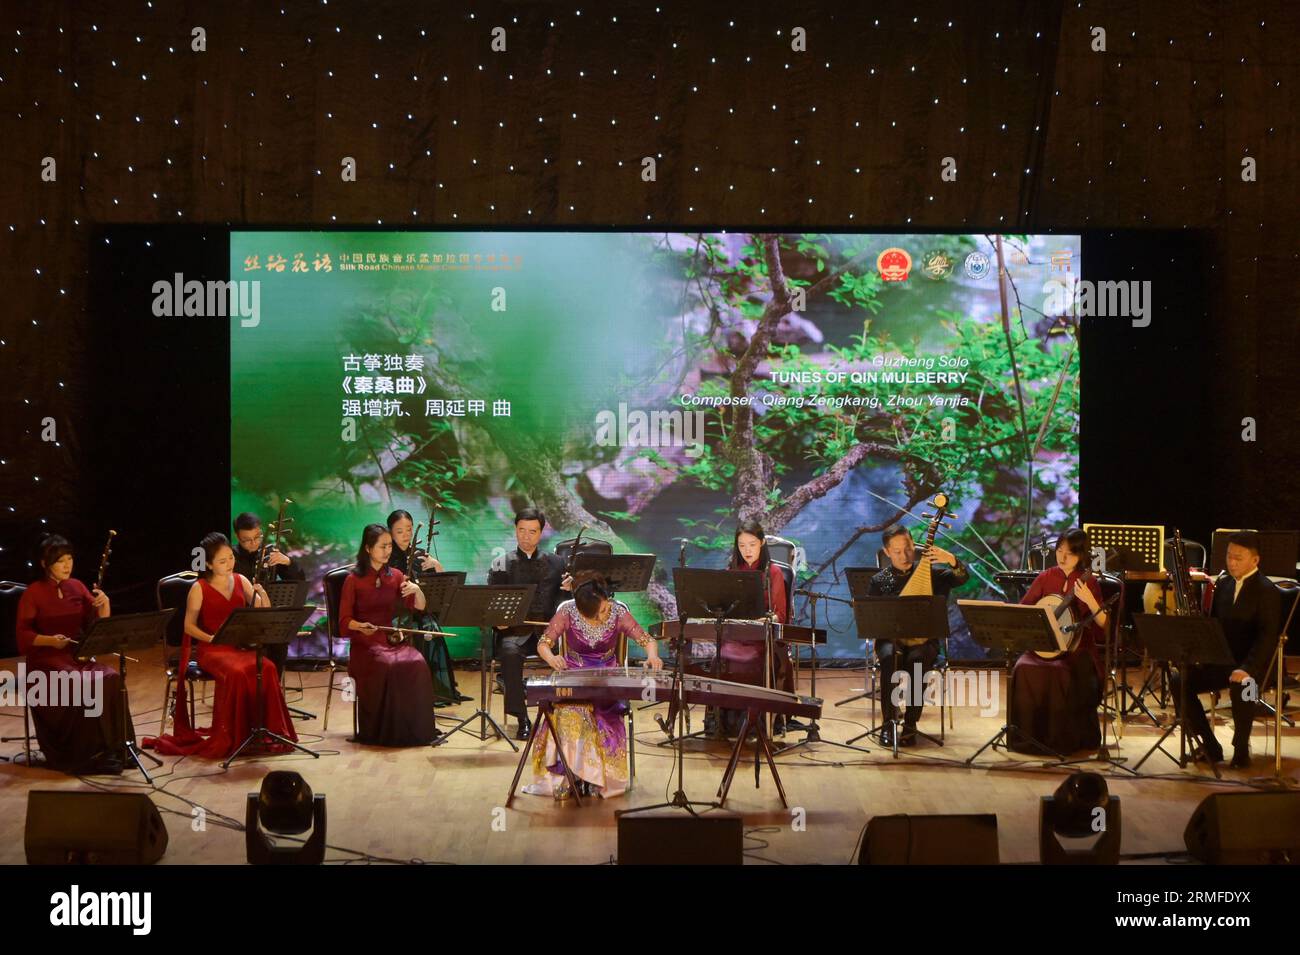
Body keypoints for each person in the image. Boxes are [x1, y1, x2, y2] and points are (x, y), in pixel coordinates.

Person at [146, 532, 298, 759]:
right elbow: (189, 627)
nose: (229, 564)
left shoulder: (241, 580)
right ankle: (236, 735)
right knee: (237, 672)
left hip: (237, 647)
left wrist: (262, 593)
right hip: (212, 649)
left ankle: (265, 732)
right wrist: (213, 638)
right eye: (222, 561)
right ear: (208, 564)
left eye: (231, 558)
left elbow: (262, 611)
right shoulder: (199, 588)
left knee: (267, 667)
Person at [524, 573, 662, 800]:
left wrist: (653, 656)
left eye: (604, 609)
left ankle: (596, 779)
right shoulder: (567, 611)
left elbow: (647, 640)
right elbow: (543, 643)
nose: (602, 616)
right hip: (574, 680)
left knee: (600, 715)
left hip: (607, 681)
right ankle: (571, 777)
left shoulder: (618, 612)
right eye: (596, 614)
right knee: (570, 713)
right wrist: (552, 658)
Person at [13, 535, 131, 773]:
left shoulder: (76, 586)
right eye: (60, 561)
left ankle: (116, 749)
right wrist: (50, 641)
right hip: (45, 661)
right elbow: (23, 635)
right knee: (82, 683)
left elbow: (96, 625)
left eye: (70, 559)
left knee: (111, 677)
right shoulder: (33, 593)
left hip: (75, 656)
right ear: (45, 564)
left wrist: (104, 605)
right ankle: (86, 754)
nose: (67, 565)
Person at [1171, 531, 1280, 769]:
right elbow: (1214, 627)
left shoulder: (1267, 590)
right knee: (1180, 680)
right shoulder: (1224, 584)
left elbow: (1268, 637)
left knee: (1244, 686)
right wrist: (1201, 655)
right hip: (1224, 661)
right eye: (1229, 556)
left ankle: (1241, 749)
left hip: (1256, 667)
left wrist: (1247, 669)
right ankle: (1209, 745)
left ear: (1255, 560)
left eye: (1238, 558)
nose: (1231, 562)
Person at [1006, 528, 1106, 756]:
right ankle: (1026, 739)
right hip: (1044, 645)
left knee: (1062, 671)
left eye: (1070, 553)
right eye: (1059, 550)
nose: (1062, 557)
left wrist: (1090, 600)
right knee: (1022, 666)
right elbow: (1025, 609)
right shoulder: (1046, 577)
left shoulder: (1089, 582)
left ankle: (1059, 741)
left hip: (1076, 648)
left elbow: (1104, 625)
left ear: (1081, 555)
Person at [339, 523, 440, 746]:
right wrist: (360, 626)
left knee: (417, 661)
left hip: (389, 639)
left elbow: (420, 607)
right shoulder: (353, 580)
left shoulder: (395, 576)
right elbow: (344, 622)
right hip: (364, 644)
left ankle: (413, 729)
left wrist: (418, 590)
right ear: (368, 548)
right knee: (387, 665)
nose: (387, 551)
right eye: (382, 546)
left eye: (389, 546)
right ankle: (384, 731)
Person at [867, 524, 969, 746]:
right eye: (897, 551)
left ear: (914, 546)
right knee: (889, 657)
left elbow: (962, 578)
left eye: (908, 549)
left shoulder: (933, 575)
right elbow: (873, 620)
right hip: (891, 640)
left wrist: (951, 559)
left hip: (924, 641)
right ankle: (888, 724)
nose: (904, 556)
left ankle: (910, 725)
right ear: (887, 552)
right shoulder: (880, 581)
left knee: (917, 659)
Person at [699, 521, 790, 738]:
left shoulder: (773, 572)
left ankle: (754, 722)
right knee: (719, 658)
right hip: (736, 636)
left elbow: (781, 614)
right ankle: (720, 720)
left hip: (761, 638)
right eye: (742, 545)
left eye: (752, 544)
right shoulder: (731, 571)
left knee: (754, 661)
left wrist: (767, 619)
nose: (747, 550)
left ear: (762, 543)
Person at [487, 507, 572, 739]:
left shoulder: (557, 562)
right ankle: (522, 718)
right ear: (515, 530)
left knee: (573, 651)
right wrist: (498, 622)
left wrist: (569, 590)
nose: (526, 536)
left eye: (532, 531)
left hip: (548, 633)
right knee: (509, 652)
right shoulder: (501, 563)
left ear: (541, 533)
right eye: (521, 530)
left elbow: (563, 604)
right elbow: (492, 604)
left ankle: (566, 713)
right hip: (516, 632)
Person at [385, 509, 464, 704]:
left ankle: (437, 690)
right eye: (399, 531)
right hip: (396, 615)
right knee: (418, 628)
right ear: (390, 533)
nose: (405, 535)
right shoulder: (387, 557)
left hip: (421, 611)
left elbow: (441, 587)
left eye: (409, 530)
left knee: (431, 627)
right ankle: (416, 691)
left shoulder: (419, 554)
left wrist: (436, 565)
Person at [231, 511, 306, 678]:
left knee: (279, 640)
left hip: (267, 617)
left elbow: (299, 581)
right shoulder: (231, 556)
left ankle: (273, 686)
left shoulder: (269, 552)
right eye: (246, 540)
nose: (253, 543)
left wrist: (288, 562)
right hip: (241, 619)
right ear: (237, 537)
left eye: (257, 537)